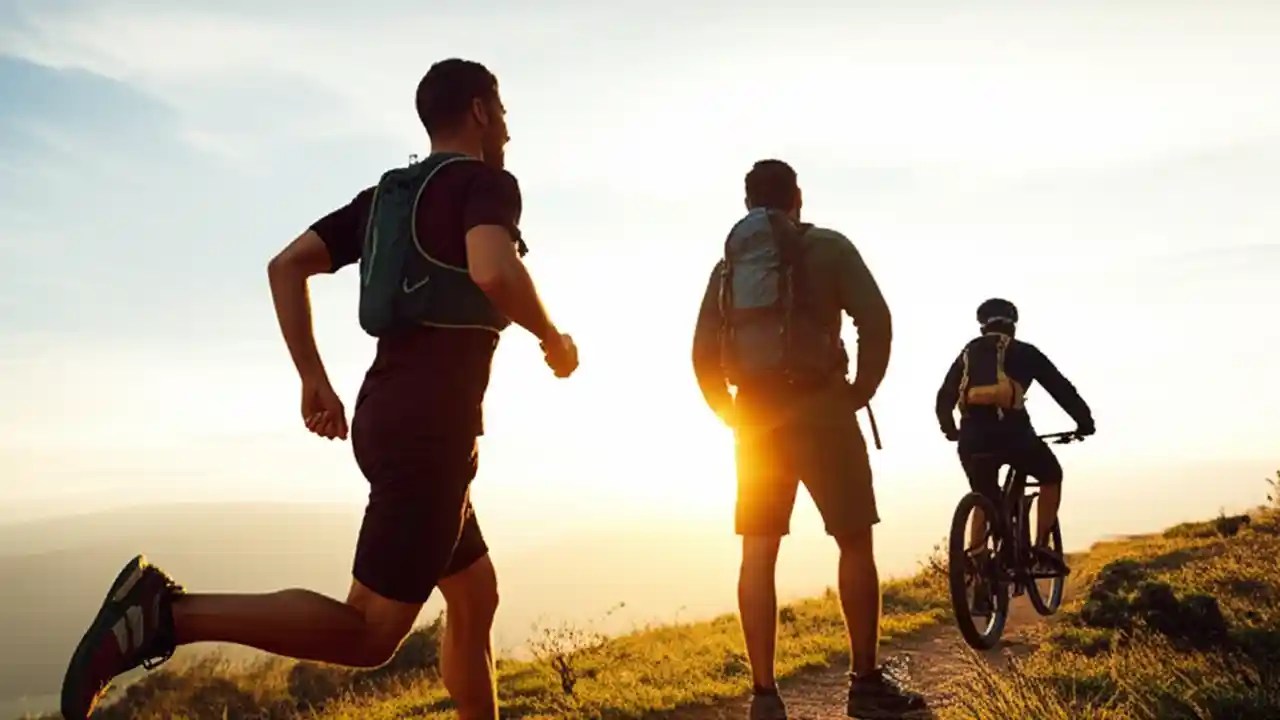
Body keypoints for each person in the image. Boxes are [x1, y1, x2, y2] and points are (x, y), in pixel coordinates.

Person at [59, 58, 578, 720]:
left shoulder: (386, 199)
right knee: (368, 633)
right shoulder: (489, 185)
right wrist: (551, 338)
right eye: (501, 109)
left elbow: (286, 267)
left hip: (387, 410)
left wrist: (313, 378)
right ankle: (163, 614)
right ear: (479, 110)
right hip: (430, 431)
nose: (506, 123)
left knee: (474, 594)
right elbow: (492, 269)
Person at [692, 159, 928, 720]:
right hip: (823, 408)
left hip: (754, 418)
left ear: (748, 202)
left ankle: (764, 696)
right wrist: (858, 390)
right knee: (853, 542)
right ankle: (865, 686)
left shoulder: (728, 267)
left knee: (758, 551)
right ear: (798, 197)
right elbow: (877, 318)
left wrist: (730, 413)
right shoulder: (828, 247)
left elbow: (701, 354)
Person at [934, 297, 1094, 611]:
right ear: (1013, 324)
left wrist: (951, 429)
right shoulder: (1025, 352)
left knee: (983, 495)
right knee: (1050, 475)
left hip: (972, 439)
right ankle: (1040, 548)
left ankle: (979, 563)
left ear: (982, 325)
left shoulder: (967, 353)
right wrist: (1084, 422)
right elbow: (1061, 388)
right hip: (1015, 436)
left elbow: (944, 397)